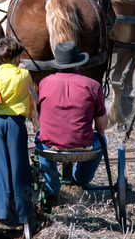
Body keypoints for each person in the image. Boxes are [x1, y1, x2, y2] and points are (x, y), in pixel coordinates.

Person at [34, 41, 108, 203]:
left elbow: (42, 115)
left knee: (39, 136)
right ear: (78, 64)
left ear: (57, 64)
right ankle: (79, 180)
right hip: (83, 145)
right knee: (101, 140)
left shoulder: (44, 83)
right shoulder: (93, 86)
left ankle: (52, 186)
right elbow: (102, 127)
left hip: (49, 145)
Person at [0, 36, 33, 229]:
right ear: (16, 58)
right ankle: (21, 214)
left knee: (0, 165)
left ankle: (2, 211)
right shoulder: (25, 75)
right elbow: (25, 79)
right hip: (15, 123)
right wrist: (21, 69)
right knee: (19, 165)